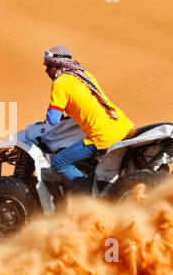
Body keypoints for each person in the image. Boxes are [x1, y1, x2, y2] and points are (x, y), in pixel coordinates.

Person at [40, 45, 134, 192]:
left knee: (59, 162)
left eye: (48, 66)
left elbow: (53, 119)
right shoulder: (86, 75)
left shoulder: (60, 84)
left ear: (57, 66)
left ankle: (90, 197)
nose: (46, 71)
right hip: (122, 125)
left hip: (103, 136)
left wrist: (52, 110)